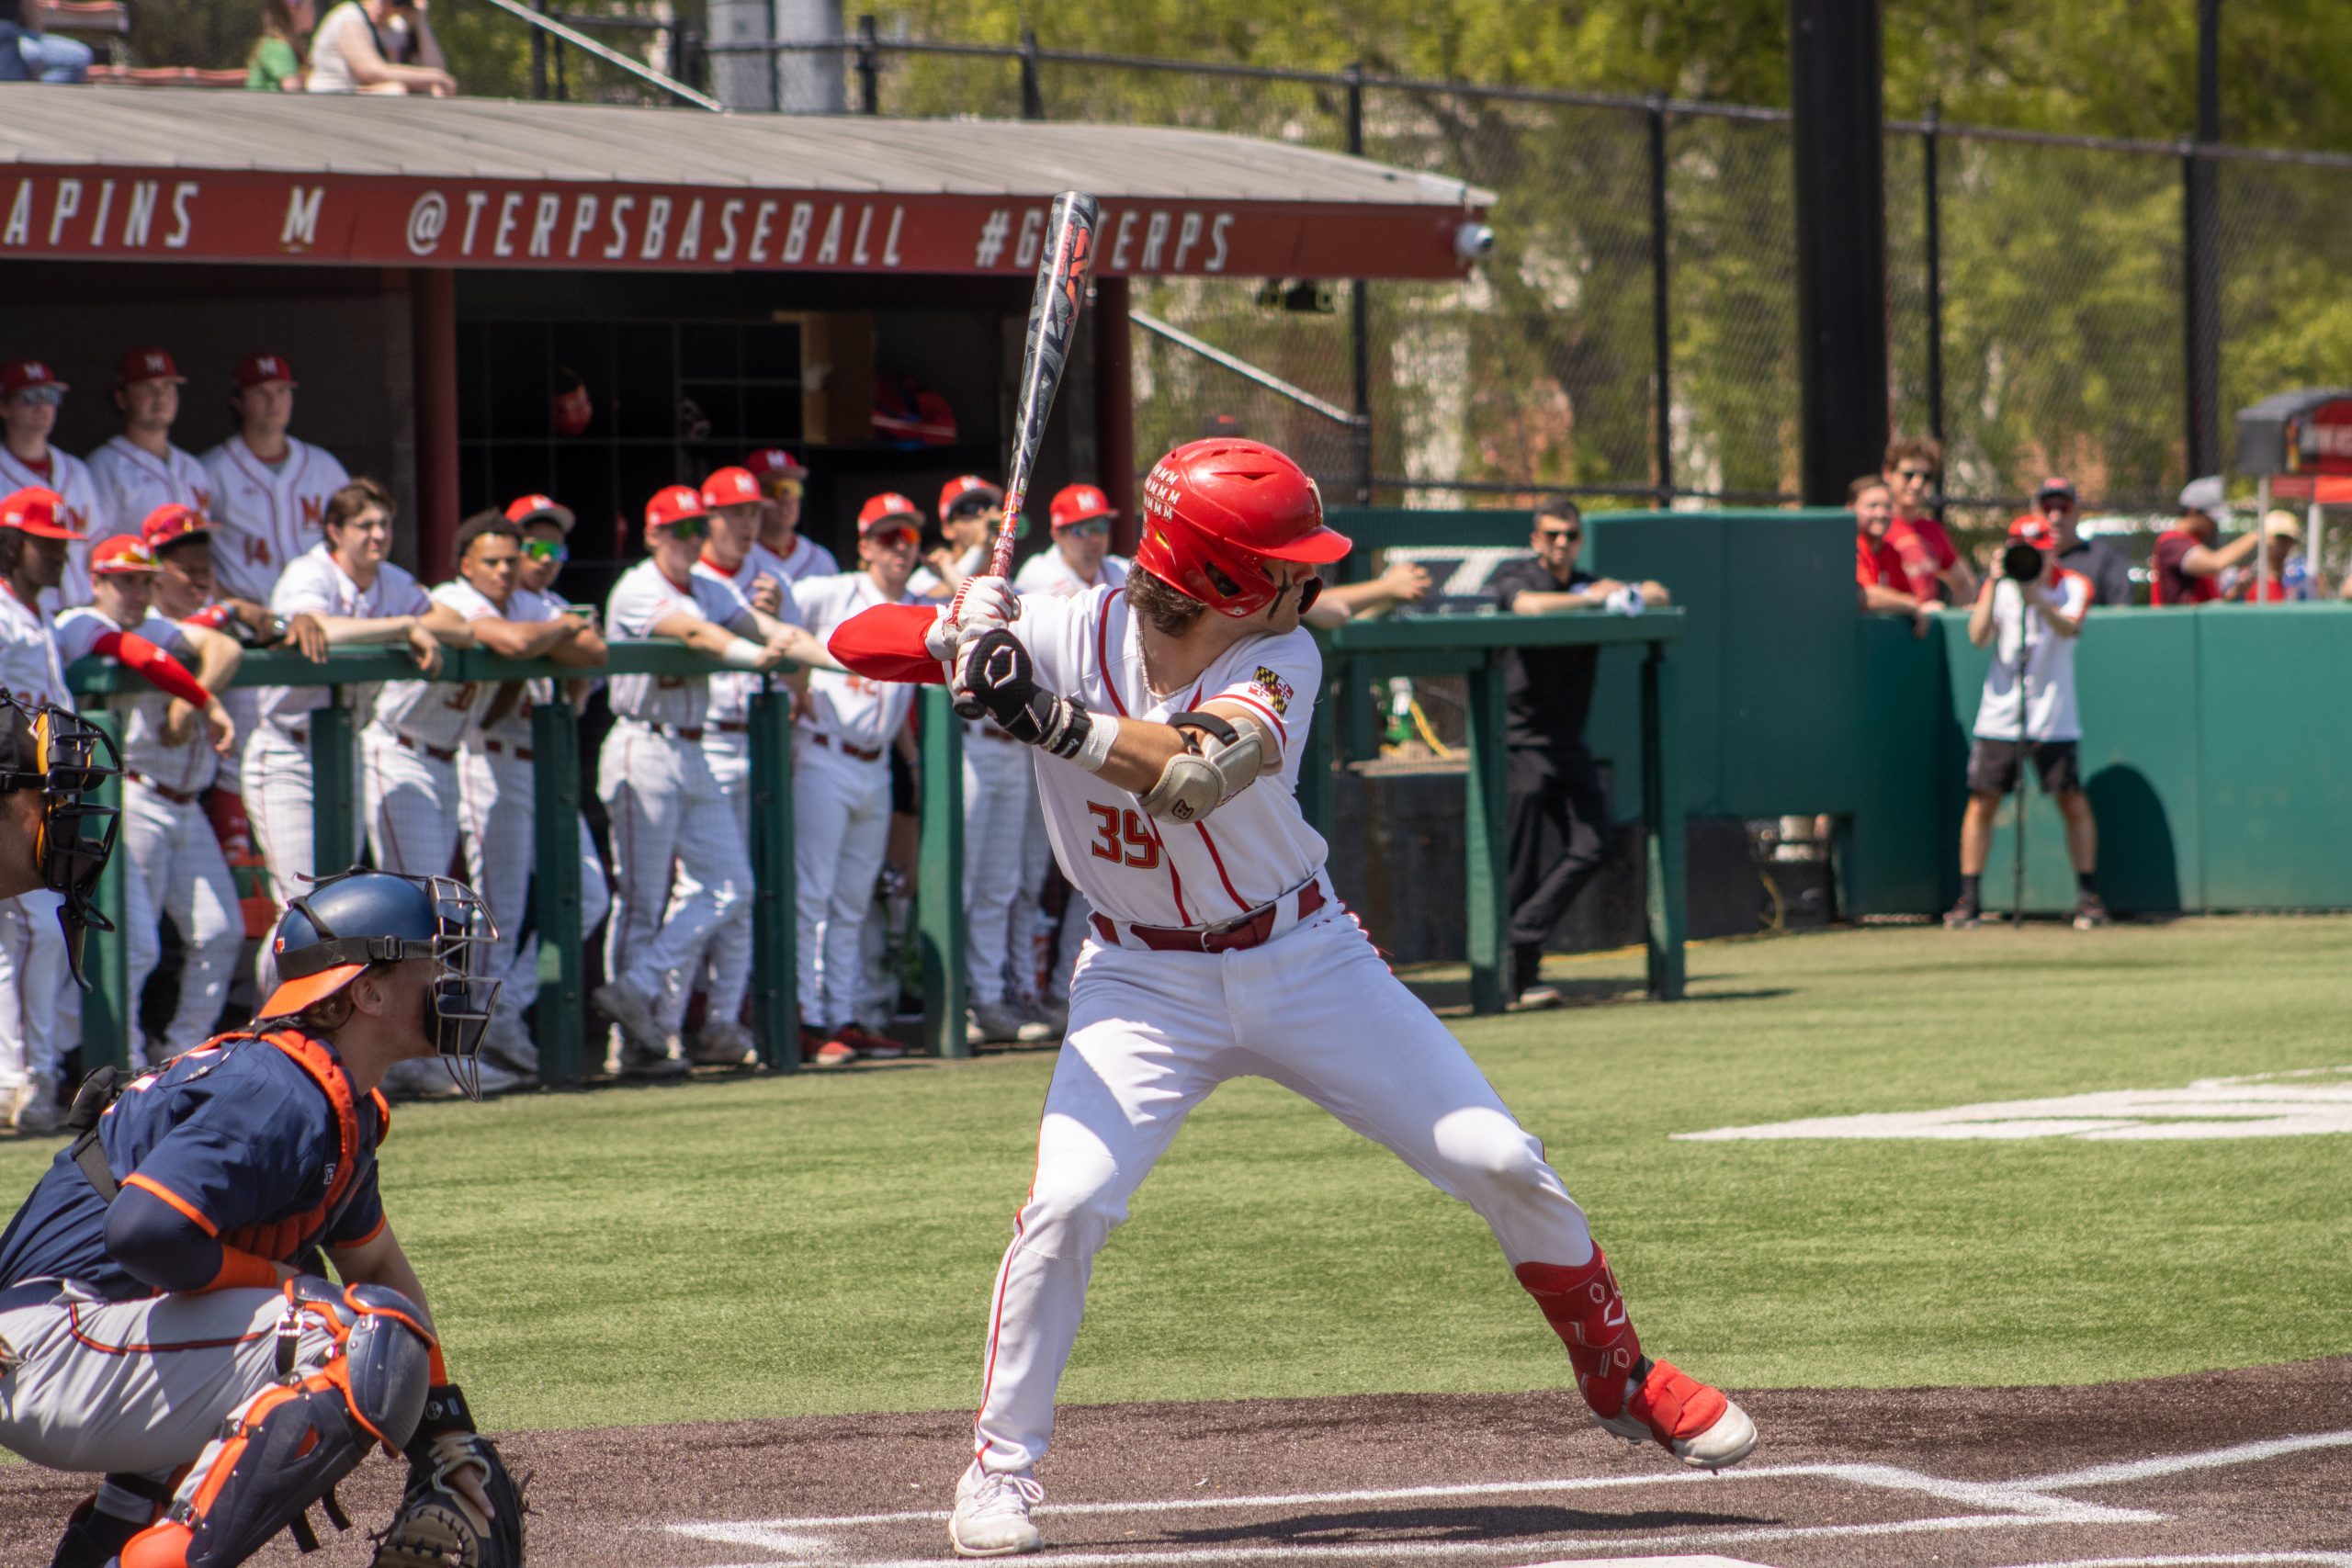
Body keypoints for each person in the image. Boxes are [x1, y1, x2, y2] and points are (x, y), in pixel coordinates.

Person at [829, 439, 1752, 1556]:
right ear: (1217, 574)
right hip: (1138, 979)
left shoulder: (1287, 655)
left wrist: (1042, 715)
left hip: (1305, 956)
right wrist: (962, 625)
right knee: (1066, 1205)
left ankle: (1622, 1377)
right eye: (1283, 561)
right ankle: (998, 1473)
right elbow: (852, 643)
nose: (1305, 579)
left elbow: (1191, 776)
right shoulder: (1065, 628)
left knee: (1499, 1158)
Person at [0, 869, 524, 1568]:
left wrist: (443, 1429)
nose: (449, 979)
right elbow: (145, 1231)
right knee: (348, 1337)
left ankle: (111, 1548)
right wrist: (283, 1281)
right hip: (48, 1345)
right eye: (432, 960)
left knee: (330, 1321)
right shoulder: (278, 1092)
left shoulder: (331, 1096)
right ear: (364, 991)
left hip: (81, 1339)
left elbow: (377, 1266)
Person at [594, 485, 795, 1078]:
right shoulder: (638, 585)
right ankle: (629, 1045)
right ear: (654, 535)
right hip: (642, 739)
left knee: (733, 885)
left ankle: (637, 986)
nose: (689, 540)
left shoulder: (709, 586)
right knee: (643, 897)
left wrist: (793, 641)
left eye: (695, 529)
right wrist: (751, 652)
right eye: (677, 530)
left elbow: (758, 627)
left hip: (690, 745)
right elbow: (696, 634)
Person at [55, 536, 241, 1067]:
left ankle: (183, 1054)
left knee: (221, 932)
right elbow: (132, 653)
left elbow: (224, 646)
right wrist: (202, 701)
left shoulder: (161, 626)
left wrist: (188, 703)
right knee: (133, 948)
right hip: (126, 795)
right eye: (123, 580)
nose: (135, 592)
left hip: (185, 804)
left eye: (143, 580)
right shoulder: (78, 621)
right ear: (97, 581)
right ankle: (124, 1063)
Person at [676, 465, 832, 1067]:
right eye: (735, 513)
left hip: (760, 743)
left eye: (752, 512)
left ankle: (723, 1020)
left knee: (745, 889)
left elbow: (799, 678)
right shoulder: (692, 582)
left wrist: (777, 625)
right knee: (693, 891)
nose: (749, 522)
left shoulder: (768, 581)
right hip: (701, 739)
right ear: (708, 520)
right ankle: (665, 1018)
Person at [1490, 499, 1668, 1010]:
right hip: (1519, 741)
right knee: (1518, 866)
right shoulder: (1517, 576)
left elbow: (1657, 596)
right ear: (1536, 540)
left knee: (1593, 844)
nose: (1562, 544)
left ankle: (1522, 933)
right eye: (1552, 535)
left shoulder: (1589, 581)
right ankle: (1516, 980)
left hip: (1568, 742)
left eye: (1570, 535)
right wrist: (1594, 598)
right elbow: (1527, 607)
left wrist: (1626, 592)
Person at [458, 494, 610, 1077]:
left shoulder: (544, 604)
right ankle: (476, 1028)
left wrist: (561, 631)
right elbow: (518, 648)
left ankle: (505, 1008)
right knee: (499, 908)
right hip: (490, 757)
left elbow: (593, 653)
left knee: (589, 896)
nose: (543, 557)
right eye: (532, 546)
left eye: (555, 547)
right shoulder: (491, 602)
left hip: (543, 764)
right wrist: (560, 633)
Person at [244, 479, 451, 903]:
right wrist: (403, 626)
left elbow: (456, 625)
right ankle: (274, 974)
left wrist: (423, 619)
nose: (378, 534)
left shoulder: (392, 580)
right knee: (303, 906)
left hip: (345, 752)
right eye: (365, 525)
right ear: (335, 532)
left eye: (385, 525)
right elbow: (317, 628)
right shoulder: (310, 570)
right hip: (289, 751)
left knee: (336, 904)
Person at [790, 494, 929, 1066]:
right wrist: (795, 691)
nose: (900, 549)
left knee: (852, 901)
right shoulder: (829, 590)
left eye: (909, 539)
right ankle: (806, 1018)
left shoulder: (921, 601)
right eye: (888, 538)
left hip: (873, 763)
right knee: (813, 894)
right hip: (823, 753)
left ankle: (842, 1017)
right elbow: (769, 621)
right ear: (866, 544)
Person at [1945, 516, 2107, 931]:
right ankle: (1970, 898)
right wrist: (1996, 585)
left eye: (2039, 547)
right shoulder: (1998, 588)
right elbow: (1978, 636)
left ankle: (2088, 897)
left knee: (2071, 798)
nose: (2033, 555)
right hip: (2000, 714)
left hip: (2054, 715)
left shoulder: (2072, 584)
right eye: (2023, 547)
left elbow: (2070, 628)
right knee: (1982, 801)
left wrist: (2037, 598)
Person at [0, 487, 81, 1135]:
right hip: (10, 797)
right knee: (32, 934)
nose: (56, 556)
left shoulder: (42, 615)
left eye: (60, 546)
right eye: (44, 545)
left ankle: (24, 1080)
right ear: (11, 545)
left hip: (33, 799)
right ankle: (23, 1081)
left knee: (29, 939)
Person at [200, 353, 354, 609]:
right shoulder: (211, 470)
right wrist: (231, 604)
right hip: (245, 618)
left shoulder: (324, 466)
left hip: (318, 611)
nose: (274, 401)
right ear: (238, 401)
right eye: (261, 393)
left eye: (282, 391)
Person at [85, 348, 214, 575]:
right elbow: (96, 549)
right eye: (148, 388)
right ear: (121, 398)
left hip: (192, 599)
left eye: (167, 387)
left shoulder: (193, 468)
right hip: (138, 594)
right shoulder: (105, 466)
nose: (160, 397)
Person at [0, 360, 102, 607]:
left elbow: (96, 545)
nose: (41, 406)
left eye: (49, 396)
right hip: (19, 612)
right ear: (4, 407)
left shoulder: (76, 471)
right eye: (29, 398)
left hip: (81, 607)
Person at [1882, 435, 1975, 604]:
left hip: (1925, 628)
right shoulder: (1876, 526)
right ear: (1888, 473)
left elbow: (1965, 583)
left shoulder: (1931, 529)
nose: (1917, 484)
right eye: (1909, 475)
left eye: (1925, 477)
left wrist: (1953, 625)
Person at [305, 0, 455, 95]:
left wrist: (421, 22)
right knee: (394, 91)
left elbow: (437, 69)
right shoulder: (349, 17)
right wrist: (435, 77)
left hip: (361, 103)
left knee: (434, 90)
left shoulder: (393, 28)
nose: (384, 6)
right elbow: (372, 72)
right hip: (330, 98)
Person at [2150, 477, 2257, 606]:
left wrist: (2233, 593)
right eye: (2210, 518)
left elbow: (2203, 603)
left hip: (2197, 624)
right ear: (2193, 511)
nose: (2214, 525)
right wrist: (2256, 535)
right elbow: (2215, 563)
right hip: (2176, 625)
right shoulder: (2172, 542)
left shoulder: (2192, 544)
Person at [1013, 483, 1131, 598]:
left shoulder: (1117, 568)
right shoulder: (1038, 570)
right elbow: (1080, 610)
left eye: (1101, 526)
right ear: (1058, 535)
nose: (1095, 538)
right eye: (1084, 529)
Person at [1853, 476, 1937, 637]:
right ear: (1851, 508)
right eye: (1872, 506)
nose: (1881, 513)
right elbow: (1863, 595)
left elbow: (1907, 595)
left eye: (1887, 506)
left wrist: (1916, 605)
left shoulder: (1891, 552)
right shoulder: (1849, 547)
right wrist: (1910, 605)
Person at [2037, 476, 2134, 607]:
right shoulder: (2024, 561)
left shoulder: (2104, 558)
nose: (2055, 518)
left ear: (2078, 512)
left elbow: (2121, 613)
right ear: (2035, 512)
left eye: (2064, 507)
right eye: (2047, 508)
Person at [746, 447, 837, 584]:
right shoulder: (739, 559)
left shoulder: (820, 559)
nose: (785, 499)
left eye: (792, 488)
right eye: (772, 490)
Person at [0, 0, 93, 84]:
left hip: (15, 37)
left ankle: (30, 91)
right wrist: (34, 32)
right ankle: (33, 92)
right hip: (11, 40)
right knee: (78, 58)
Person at [2237, 511, 2319, 602]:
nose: (2281, 545)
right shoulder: (2247, 579)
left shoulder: (2297, 582)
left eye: (2287, 540)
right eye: (2277, 539)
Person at [247, 0, 315, 90]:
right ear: (292, 9)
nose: (314, 12)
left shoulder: (283, 45)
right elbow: (295, 96)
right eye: (310, 8)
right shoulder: (278, 47)